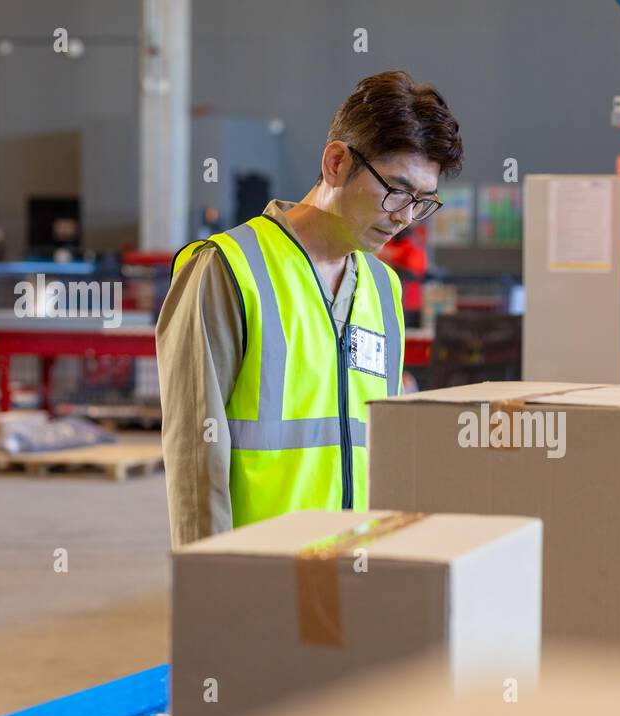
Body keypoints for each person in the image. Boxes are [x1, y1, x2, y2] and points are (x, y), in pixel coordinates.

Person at [156, 71, 463, 548]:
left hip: (356, 565)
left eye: (423, 202)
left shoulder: (384, 288)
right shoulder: (228, 269)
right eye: (397, 191)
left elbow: (384, 447)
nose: (405, 216)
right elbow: (196, 454)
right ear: (337, 162)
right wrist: (209, 579)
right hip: (260, 568)